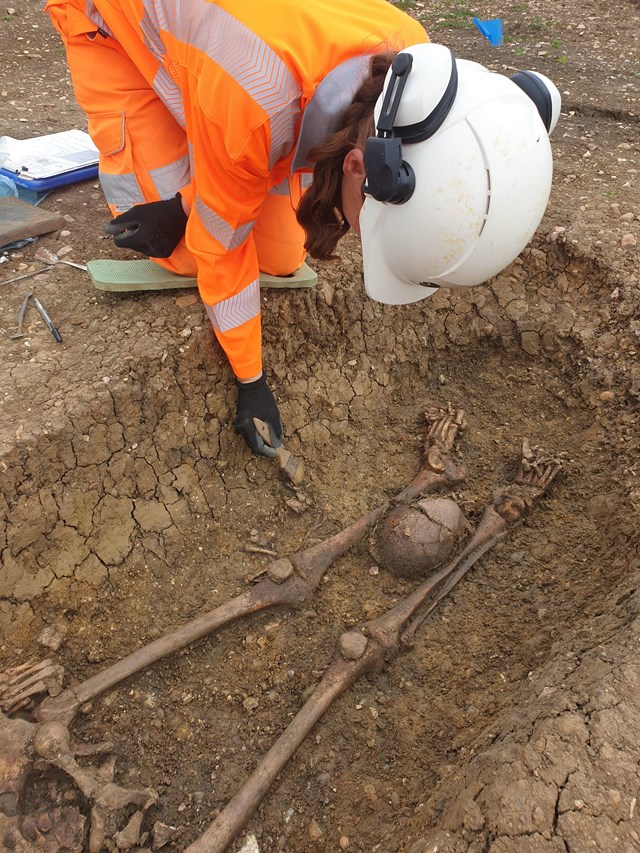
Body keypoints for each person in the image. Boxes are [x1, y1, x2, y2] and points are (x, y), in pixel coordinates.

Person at [45, 0, 560, 457]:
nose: (359, 240)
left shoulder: (414, 71)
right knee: (186, 253)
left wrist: (201, 196)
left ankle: (203, 174)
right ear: (358, 166)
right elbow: (222, 247)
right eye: (368, 231)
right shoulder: (254, 104)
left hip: (229, 72)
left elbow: (255, 141)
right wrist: (251, 378)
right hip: (115, 26)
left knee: (279, 255)